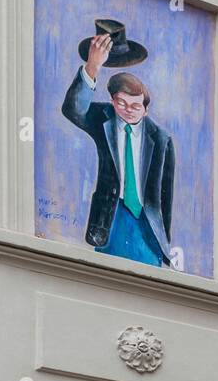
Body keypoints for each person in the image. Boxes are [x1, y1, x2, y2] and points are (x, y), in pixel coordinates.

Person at [61, 31, 174, 267]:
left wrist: (165, 241)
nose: (128, 110)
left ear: (145, 108)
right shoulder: (104, 119)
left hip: (146, 223)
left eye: (135, 105)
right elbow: (73, 110)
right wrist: (92, 67)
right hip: (111, 217)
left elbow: (165, 195)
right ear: (113, 101)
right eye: (121, 103)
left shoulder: (161, 139)